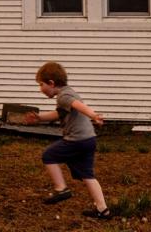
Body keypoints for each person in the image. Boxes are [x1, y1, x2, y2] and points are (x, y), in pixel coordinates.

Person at [24, 61, 112, 220]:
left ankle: (61, 188)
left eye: (41, 84)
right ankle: (103, 210)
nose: (40, 89)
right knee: (87, 175)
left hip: (76, 140)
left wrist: (93, 115)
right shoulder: (67, 93)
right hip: (88, 139)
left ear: (51, 83)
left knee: (49, 155)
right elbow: (59, 114)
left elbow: (78, 105)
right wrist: (39, 118)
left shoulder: (64, 96)